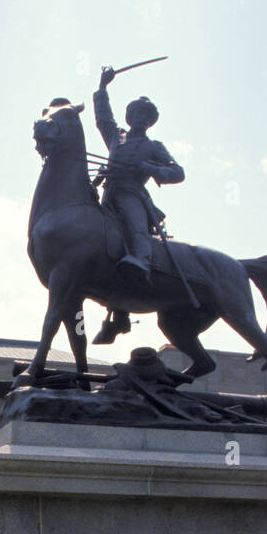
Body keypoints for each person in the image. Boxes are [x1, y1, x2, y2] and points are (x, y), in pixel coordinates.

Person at [93, 65, 184, 342]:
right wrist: (102, 88)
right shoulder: (116, 138)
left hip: (132, 194)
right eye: (138, 114)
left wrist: (151, 168)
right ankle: (116, 312)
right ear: (130, 116)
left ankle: (142, 263)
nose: (142, 118)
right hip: (108, 196)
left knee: (134, 227)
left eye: (148, 116)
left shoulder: (153, 146)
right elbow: (102, 118)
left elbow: (178, 172)